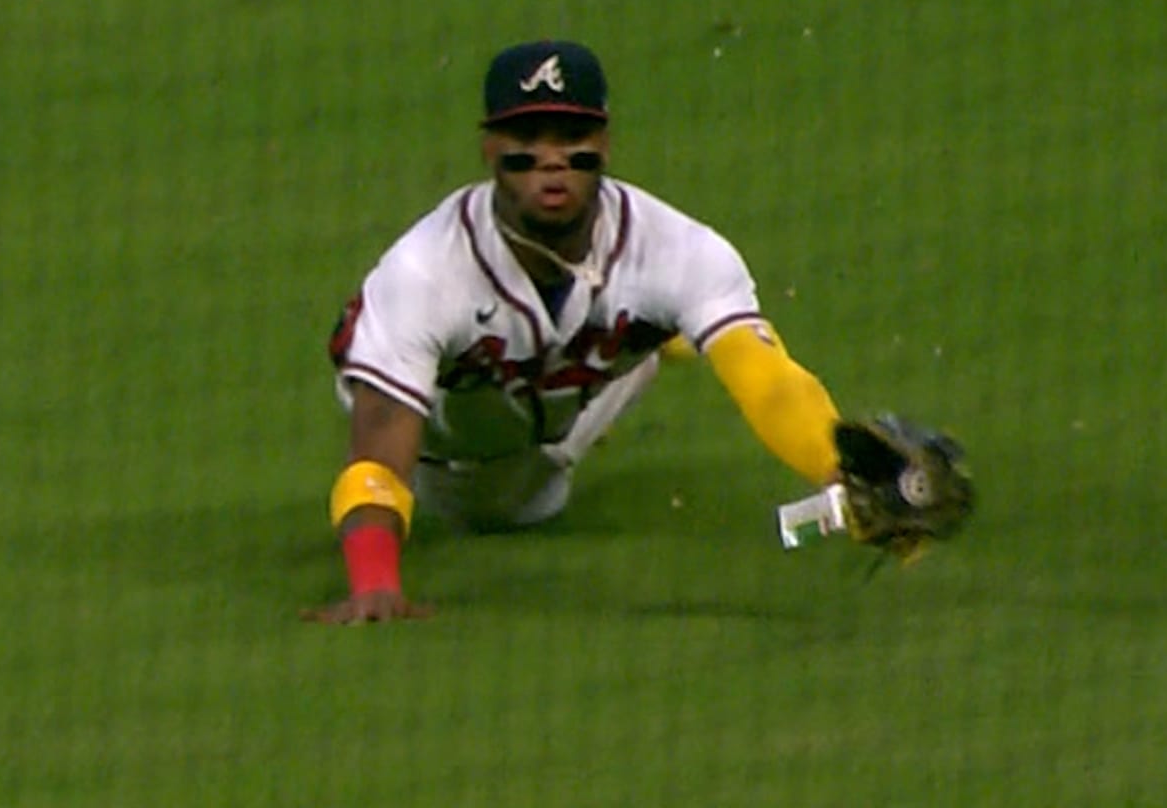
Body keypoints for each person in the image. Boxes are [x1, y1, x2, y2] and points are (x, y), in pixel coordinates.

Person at [302, 40, 843, 625]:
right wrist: (375, 582)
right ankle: (649, 337)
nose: (551, 160)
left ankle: (660, 335)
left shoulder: (676, 248)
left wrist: (843, 471)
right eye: (527, 141)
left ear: (604, 143)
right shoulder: (427, 270)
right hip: (458, 465)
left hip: (579, 398)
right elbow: (377, 452)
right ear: (489, 149)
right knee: (511, 508)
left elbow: (767, 382)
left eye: (570, 138)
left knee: (706, 332)